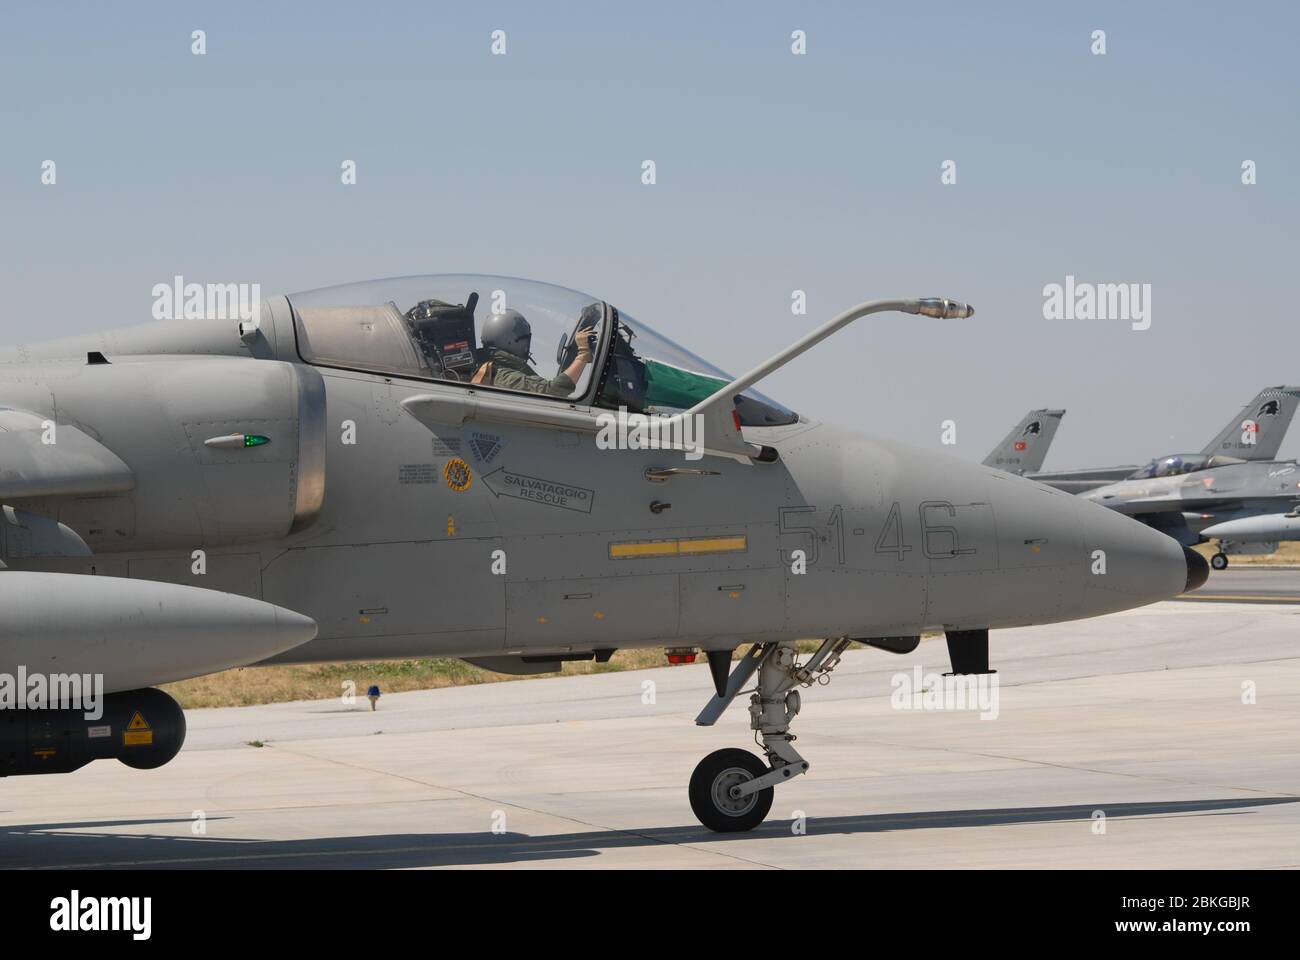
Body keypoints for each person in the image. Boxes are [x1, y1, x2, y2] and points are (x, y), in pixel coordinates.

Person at [472, 308, 596, 396]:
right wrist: (583, 355)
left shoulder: (495, 369)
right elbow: (554, 391)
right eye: (525, 340)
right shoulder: (502, 376)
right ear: (512, 341)